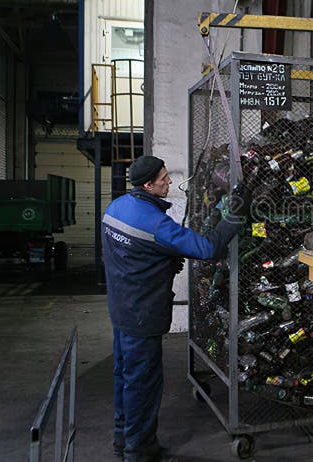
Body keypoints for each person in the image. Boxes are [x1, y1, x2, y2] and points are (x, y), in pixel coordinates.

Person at [102, 155, 250, 462]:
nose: (169, 182)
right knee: (143, 382)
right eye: (164, 178)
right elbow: (208, 248)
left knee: (125, 375)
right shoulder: (156, 223)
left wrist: (162, 260)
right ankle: (139, 450)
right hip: (143, 313)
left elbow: (126, 253)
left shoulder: (116, 207)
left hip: (121, 307)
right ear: (148, 185)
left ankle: (122, 438)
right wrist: (235, 215)